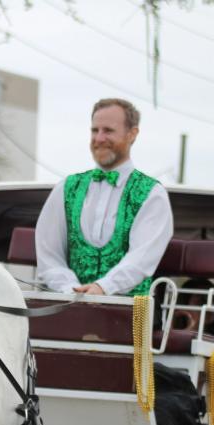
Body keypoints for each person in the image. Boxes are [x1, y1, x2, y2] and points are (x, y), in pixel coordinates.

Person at [36, 98, 174, 296]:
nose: (99, 138)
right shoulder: (66, 188)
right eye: (95, 130)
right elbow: (48, 253)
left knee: (139, 326)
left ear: (132, 134)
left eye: (108, 130)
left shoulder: (152, 193)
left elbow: (142, 257)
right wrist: (70, 290)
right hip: (69, 303)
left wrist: (104, 287)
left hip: (136, 310)